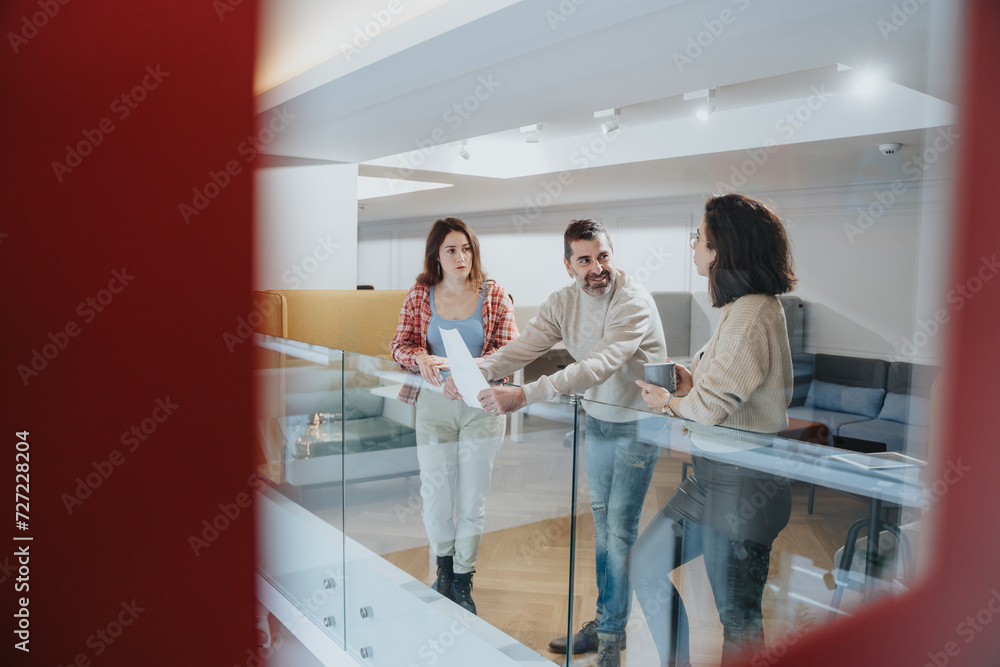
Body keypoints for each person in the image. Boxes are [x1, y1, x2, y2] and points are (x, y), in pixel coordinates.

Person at [445, 219, 666, 666]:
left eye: (602, 256)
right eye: (584, 260)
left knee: (618, 534)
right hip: (599, 422)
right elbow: (523, 348)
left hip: (638, 426)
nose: (596, 268)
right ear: (568, 265)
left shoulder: (634, 301)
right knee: (604, 531)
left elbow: (599, 365)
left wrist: (525, 394)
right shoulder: (563, 302)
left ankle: (608, 639)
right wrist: (471, 372)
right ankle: (609, 626)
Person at [631, 193, 798, 666]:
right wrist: (691, 379)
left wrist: (669, 401)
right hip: (709, 480)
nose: (693, 247)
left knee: (740, 623)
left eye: (698, 239)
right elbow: (725, 388)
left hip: (745, 486)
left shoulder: (752, 313)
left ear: (723, 248)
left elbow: (709, 409)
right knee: (645, 566)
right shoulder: (743, 308)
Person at [390, 217, 518, 615]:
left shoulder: (494, 295)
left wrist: (462, 371)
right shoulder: (420, 294)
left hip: (483, 407)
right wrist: (421, 358)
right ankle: (442, 572)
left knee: (471, 497)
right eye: (451, 250)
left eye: (466, 248)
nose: (460, 257)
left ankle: (463, 579)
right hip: (433, 407)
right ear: (436, 255)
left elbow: (510, 356)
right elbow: (399, 346)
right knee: (434, 494)